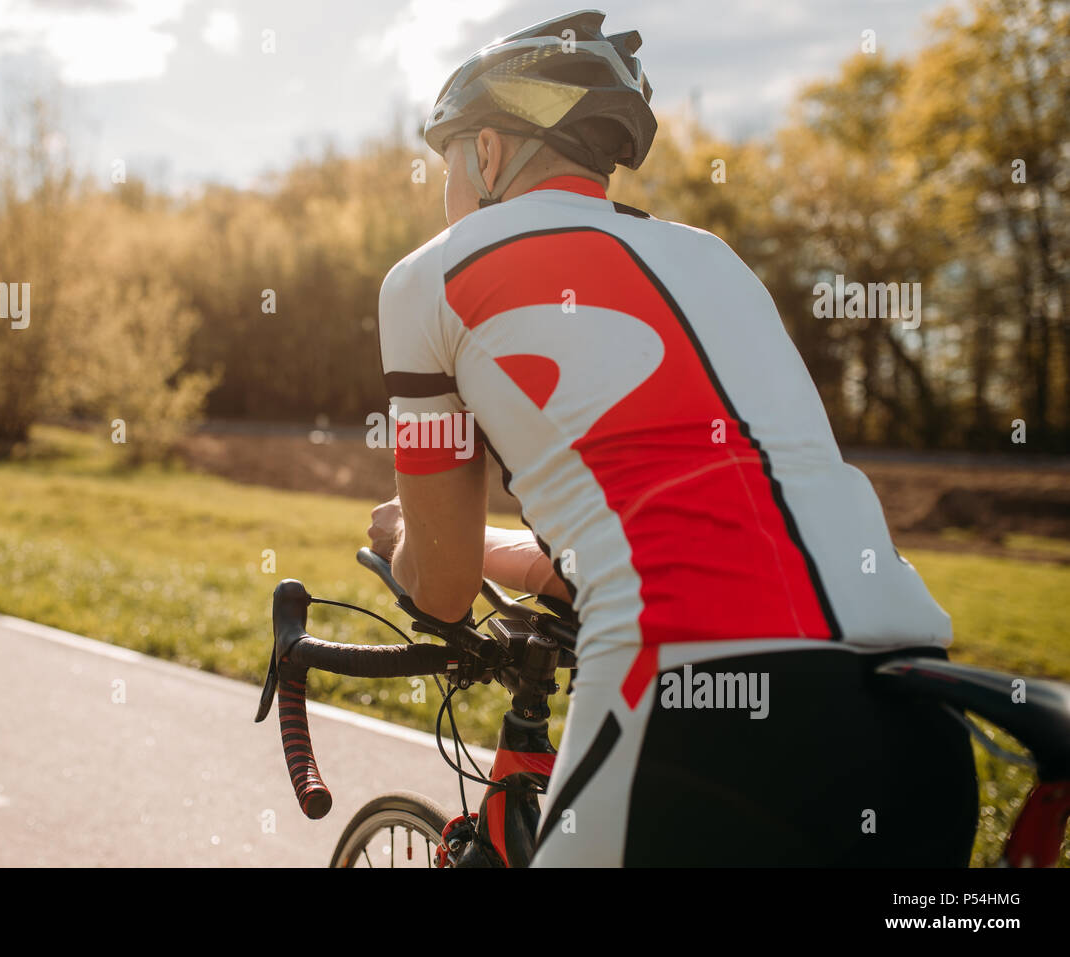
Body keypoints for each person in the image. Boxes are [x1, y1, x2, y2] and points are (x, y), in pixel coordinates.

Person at [366, 10, 978, 866]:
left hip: (697, 717)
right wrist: (509, 551)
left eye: (446, 161)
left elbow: (441, 589)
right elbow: (687, 513)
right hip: (917, 716)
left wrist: (402, 538)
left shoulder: (428, 277)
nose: (445, 191)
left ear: (489, 152)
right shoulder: (715, 261)